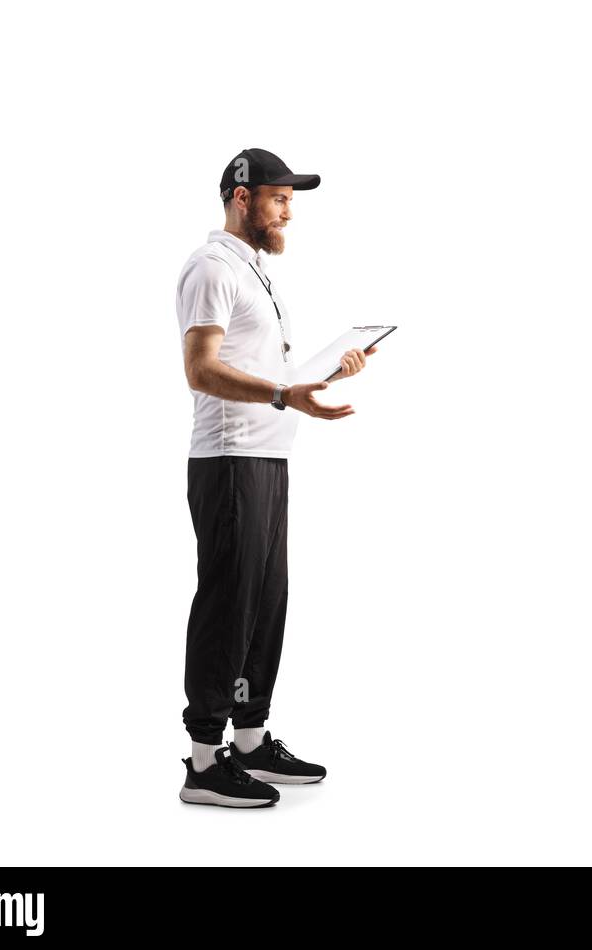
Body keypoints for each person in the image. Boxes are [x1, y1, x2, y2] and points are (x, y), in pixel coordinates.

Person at [174, 148, 378, 808]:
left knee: (265, 603)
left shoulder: (254, 271)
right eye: (278, 198)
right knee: (228, 604)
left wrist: (317, 378)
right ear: (241, 199)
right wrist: (287, 396)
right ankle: (205, 759)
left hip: (268, 456)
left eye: (292, 198)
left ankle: (252, 738)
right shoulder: (211, 268)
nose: (289, 209)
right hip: (228, 460)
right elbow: (201, 370)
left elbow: (260, 369)